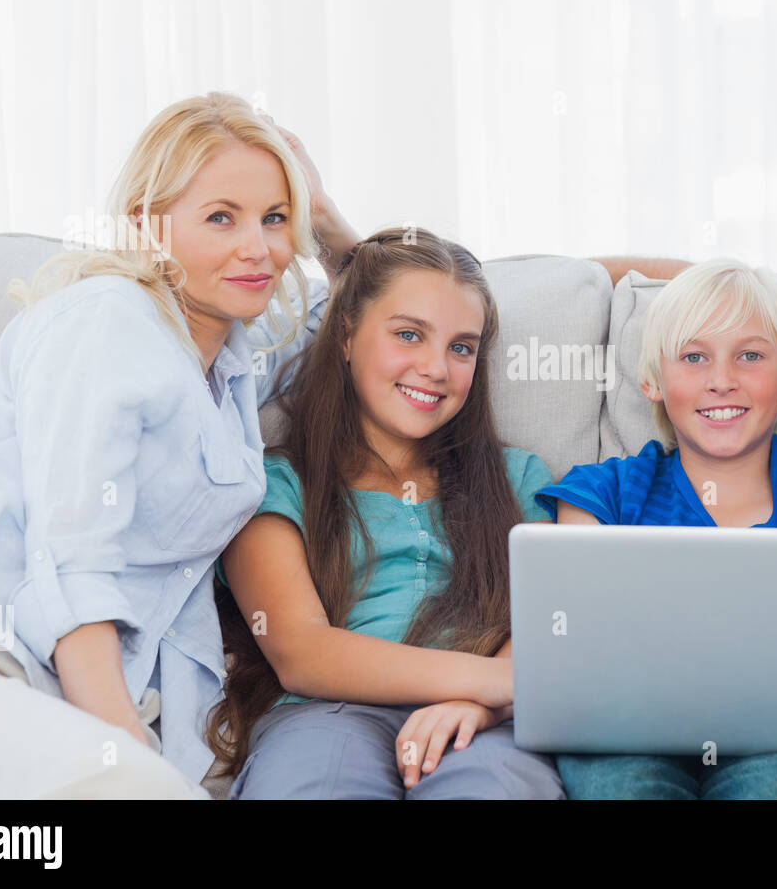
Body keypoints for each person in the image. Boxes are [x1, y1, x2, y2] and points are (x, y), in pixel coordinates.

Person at [0, 91, 362, 797]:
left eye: (275, 218)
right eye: (222, 217)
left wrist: (325, 218)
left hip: (59, 692)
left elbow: (360, 320)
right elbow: (71, 565)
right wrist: (126, 752)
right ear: (148, 228)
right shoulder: (107, 322)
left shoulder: (232, 350)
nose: (260, 248)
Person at [209, 226, 565, 800]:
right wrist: (500, 683)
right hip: (325, 716)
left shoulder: (518, 479)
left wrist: (482, 704)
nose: (436, 368)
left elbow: (545, 626)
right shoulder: (276, 484)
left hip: (482, 726)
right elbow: (302, 653)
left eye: (461, 347)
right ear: (346, 336)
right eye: (408, 334)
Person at [534, 259, 777, 799]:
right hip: (629, 738)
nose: (722, 380)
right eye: (693, 357)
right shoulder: (605, 497)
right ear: (653, 381)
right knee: (626, 784)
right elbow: (559, 663)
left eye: (750, 355)